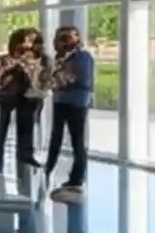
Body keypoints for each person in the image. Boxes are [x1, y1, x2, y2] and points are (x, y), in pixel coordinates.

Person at [45, 25, 95, 203]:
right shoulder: (59, 58)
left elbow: (80, 79)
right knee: (55, 137)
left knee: (77, 141)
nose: (63, 42)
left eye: (67, 37)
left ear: (77, 39)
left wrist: (60, 81)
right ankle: (47, 169)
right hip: (60, 101)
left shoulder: (83, 57)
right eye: (60, 38)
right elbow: (53, 78)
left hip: (77, 103)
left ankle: (77, 180)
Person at [0, 28, 48, 172]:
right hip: (8, 97)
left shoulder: (35, 60)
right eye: (26, 40)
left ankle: (25, 156)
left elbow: (38, 80)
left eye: (32, 41)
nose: (28, 45)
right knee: (3, 130)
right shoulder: (3, 60)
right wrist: (16, 66)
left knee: (26, 129)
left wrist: (31, 69)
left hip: (27, 98)